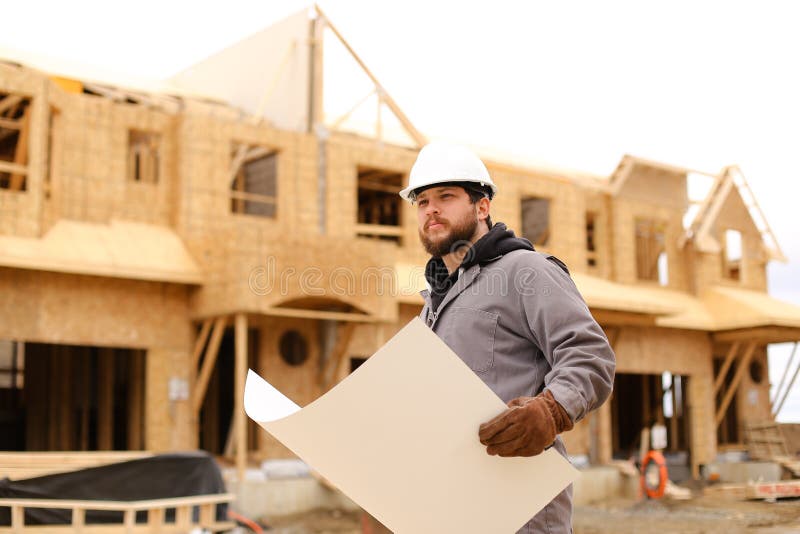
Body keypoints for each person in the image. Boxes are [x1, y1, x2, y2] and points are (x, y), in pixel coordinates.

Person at [400, 142, 616, 533]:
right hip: (457, 508)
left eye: (445, 196)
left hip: (522, 511)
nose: (430, 208)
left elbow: (590, 355)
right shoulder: (432, 306)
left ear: (482, 207)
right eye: (422, 201)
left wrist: (552, 410)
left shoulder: (525, 271)